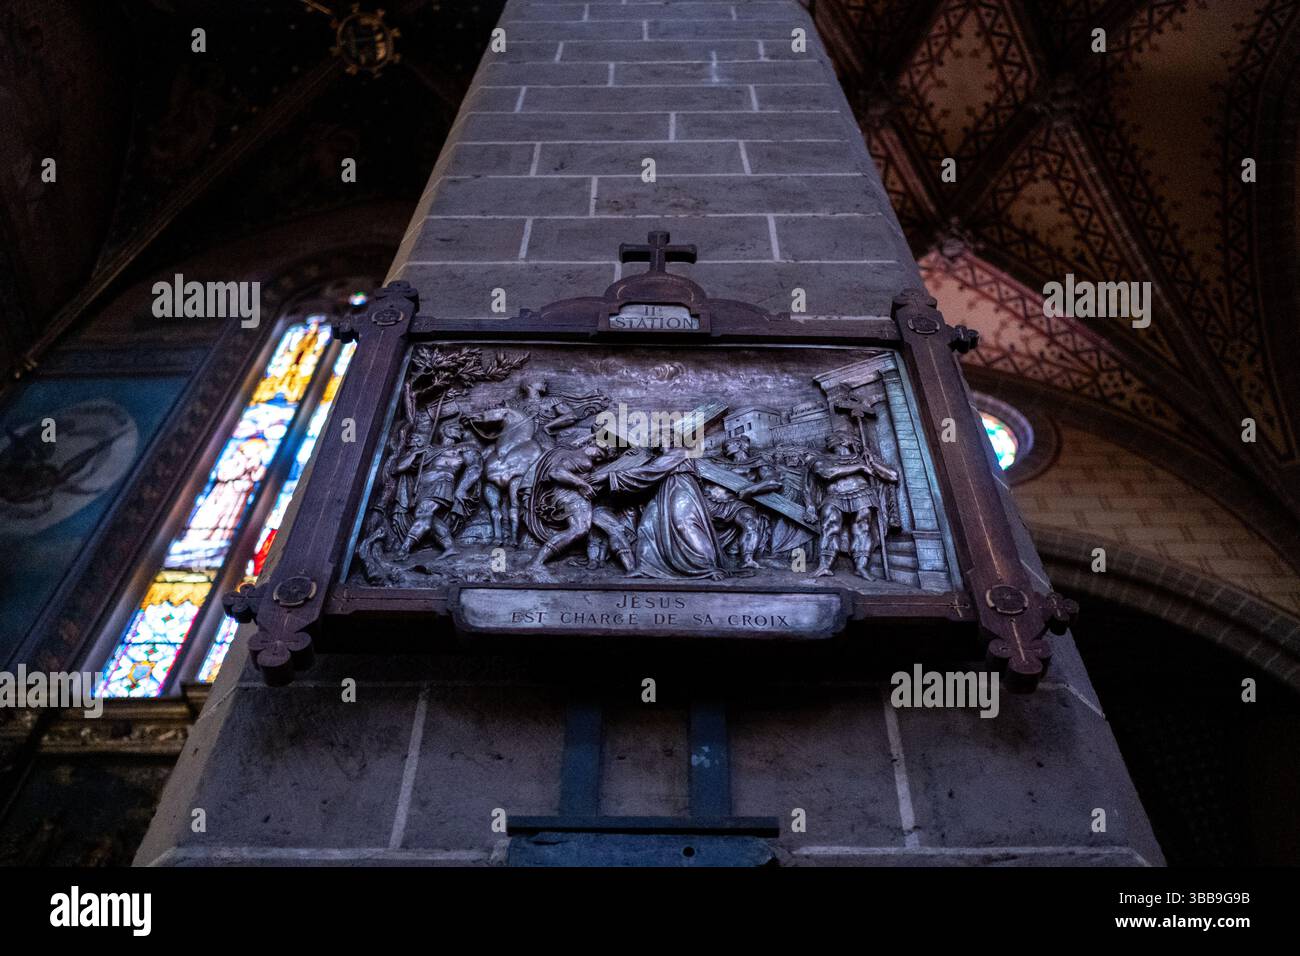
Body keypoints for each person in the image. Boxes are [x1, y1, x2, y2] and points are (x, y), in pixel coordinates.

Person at [803, 430, 899, 580]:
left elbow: (893, 476)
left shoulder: (864, 458)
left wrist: (872, 462)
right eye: (853, 438)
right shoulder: (822, 458)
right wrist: (860, 467)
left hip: (862, 494)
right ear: (843, 441)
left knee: (862, 529)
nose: (856, 441)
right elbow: (828, 473)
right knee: (830, 526)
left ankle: (861, 567)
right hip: (834, 496)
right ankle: (824, 566)